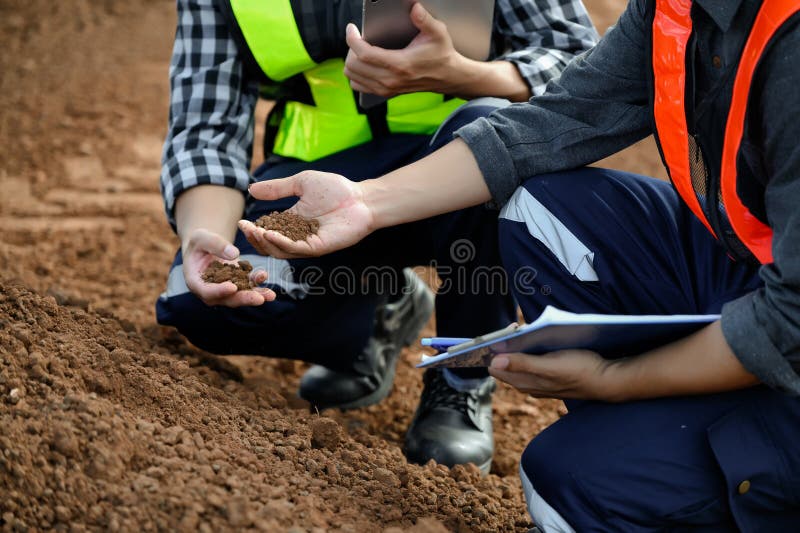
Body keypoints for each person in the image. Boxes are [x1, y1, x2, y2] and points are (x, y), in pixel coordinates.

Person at [237, 0, 800, 529]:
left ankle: (722, 441)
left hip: (787, 323)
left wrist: (614, 381)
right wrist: (367, 202)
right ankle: (681, 423)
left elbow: (788, 322)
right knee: (540, 205)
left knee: (572, 487)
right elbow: (560, 118)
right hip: (754, 274)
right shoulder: (674, 8)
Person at [156, 0, 598, 474]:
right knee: (196, 296)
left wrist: (461, 74)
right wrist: (210, 238)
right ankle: (380, 309)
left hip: (458, 175)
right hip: (319, 193)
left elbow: (583, 62)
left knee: (492, 132)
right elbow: (205, 129)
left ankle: (462, 378)